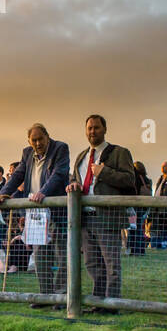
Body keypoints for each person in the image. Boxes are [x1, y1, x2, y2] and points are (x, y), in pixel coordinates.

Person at [0, 124, 72, 306]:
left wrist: (43, 192)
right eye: (34, 140)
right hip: (36, 212)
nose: (37, 143)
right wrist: (3, 192)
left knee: (62, 254)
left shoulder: (60, 148)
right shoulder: (27, 153)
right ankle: (45, 295)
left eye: (40, 139)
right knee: (39, 255)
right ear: (29, 141)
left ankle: (61, 296)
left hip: (56, 208)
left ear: (47, 136)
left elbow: (59, 174)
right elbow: (17, 175)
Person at [67, 115, 136, 307]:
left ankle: (112, 304)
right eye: (89, 128)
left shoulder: (120, 152)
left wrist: (103, 172)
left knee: (111, 263)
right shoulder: (81, 157)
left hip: (107, 216)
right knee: (92, 264)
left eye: (96, 128)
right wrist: (74, 185)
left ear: (105, 129)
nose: (92, 132)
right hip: (85, 217)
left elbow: (130, 180)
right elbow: (76, 180)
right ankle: (98, 302)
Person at [128, 161, 152, 255]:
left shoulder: (134, 177)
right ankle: (141, 250)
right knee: (139, 229)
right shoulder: (146, 179)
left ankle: (134, 250)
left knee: (133, 228)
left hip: (135, 206)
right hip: (143, 206)